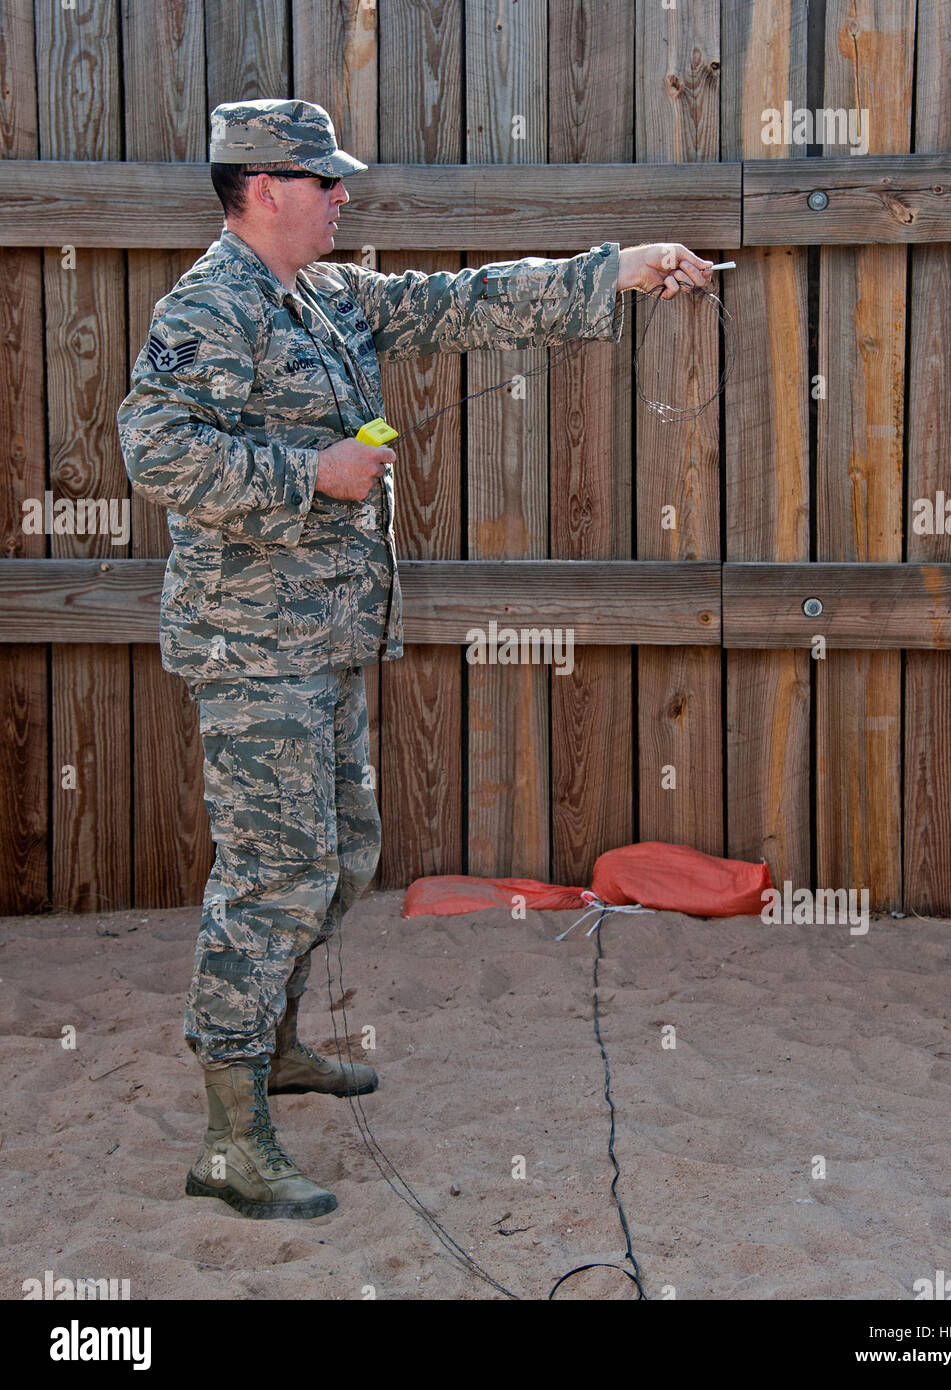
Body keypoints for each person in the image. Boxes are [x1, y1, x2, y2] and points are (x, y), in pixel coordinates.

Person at [117, 97, 713, 1221]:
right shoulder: (210, 304)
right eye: (324, 179)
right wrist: (313, 472)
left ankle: (274, 1047)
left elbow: (460, 302)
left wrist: (620, 270)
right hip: (255, 649)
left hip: (326, 637)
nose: (344, 195)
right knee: (272, 876)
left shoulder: (325, 294)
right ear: (264, 188)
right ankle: (229, 1140)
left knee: (341, 855)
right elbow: (156, 451)